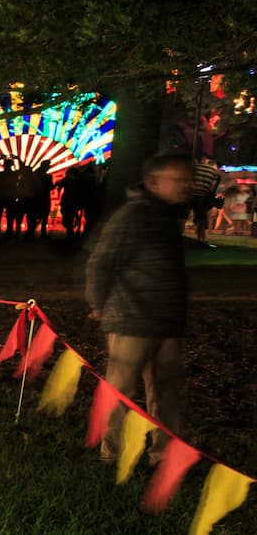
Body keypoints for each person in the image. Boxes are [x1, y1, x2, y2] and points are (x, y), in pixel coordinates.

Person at [85, 154, 192, 461]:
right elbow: (101, 262)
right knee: (121, 390)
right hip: (132, 317)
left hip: (167, 321)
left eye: (188, 180)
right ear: (154, 182)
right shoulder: (131, 217)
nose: (187, 186)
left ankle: (164, 452)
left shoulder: (167, 218)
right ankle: (112, 453)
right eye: (179, 180)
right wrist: (98, 303)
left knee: (166, 391)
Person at [188, 153, 223, 245]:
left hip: (190, 195)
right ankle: (201, 237)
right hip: (203, 197)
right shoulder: (213, 173)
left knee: (184, 215)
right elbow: (212, 188)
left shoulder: (194, 168)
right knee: (201, 218)